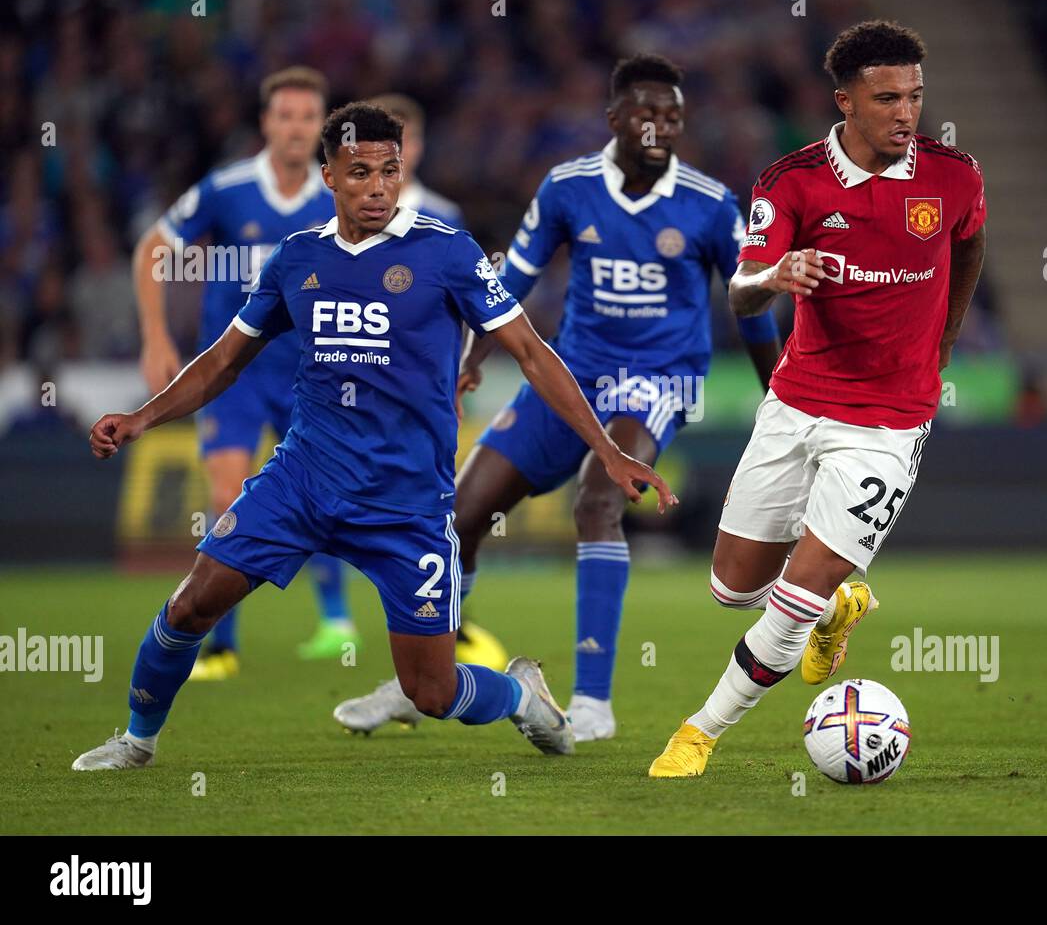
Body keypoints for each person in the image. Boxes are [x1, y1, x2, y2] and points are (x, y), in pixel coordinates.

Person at [72, 102, 674, 771]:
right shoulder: (295, 260)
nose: (379, 186)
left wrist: (608, 448)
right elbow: (221, 362)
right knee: (189, 605)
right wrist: (140, 419)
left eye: (390, 171)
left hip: (406, 503)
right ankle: (137, 740)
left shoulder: (446, 253)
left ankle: (522, 696)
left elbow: (533, 353)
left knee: (433, 690)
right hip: (302, 481)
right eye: (361, 173)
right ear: (328, 175)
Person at [333, 54, 781, 742]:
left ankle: (594, 702)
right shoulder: (569, 188)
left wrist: (777, 394)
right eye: (645, 112)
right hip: (572, 373)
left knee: (599, 500)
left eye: (672, 116)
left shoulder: (712, 203)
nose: (659, 126)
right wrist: (470, 362)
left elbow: (748, 303)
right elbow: (508, 278)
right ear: (614, 120)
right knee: (461, 512)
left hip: (659, 379)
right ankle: (420, 675)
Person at [648, 20, 987, 777]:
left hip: (889, 424)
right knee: (732, 589)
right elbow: (737, 296)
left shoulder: (953, 176)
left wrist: (945, 342)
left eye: (916, 96)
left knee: (793, 598)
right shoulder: (793, 181)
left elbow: (968, 242)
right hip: (797, 404)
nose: (907, 113)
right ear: (845, 102)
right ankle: (840, 608)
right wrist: (776, 276)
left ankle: (697, 734)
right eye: (888, 98)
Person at [133, 66, 356, 679]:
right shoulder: (226, 189)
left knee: (324, 497)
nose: (295, 128)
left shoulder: (337, 193)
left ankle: (335, 620)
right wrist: (155, 337)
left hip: (311, 374)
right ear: (266, 122)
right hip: (233, 373)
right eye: (284, 116)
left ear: (322, 125)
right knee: (230, 496)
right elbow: (154, 246)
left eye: (307, 117)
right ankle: (222, 646)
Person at [366, 91, 508, 672]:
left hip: (424, 398)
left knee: (428, 515)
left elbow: (468, 303)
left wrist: (462, 369)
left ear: (415, 147)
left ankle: (448, 629)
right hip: (353, 394)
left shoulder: (442, 219)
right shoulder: (333, 217)